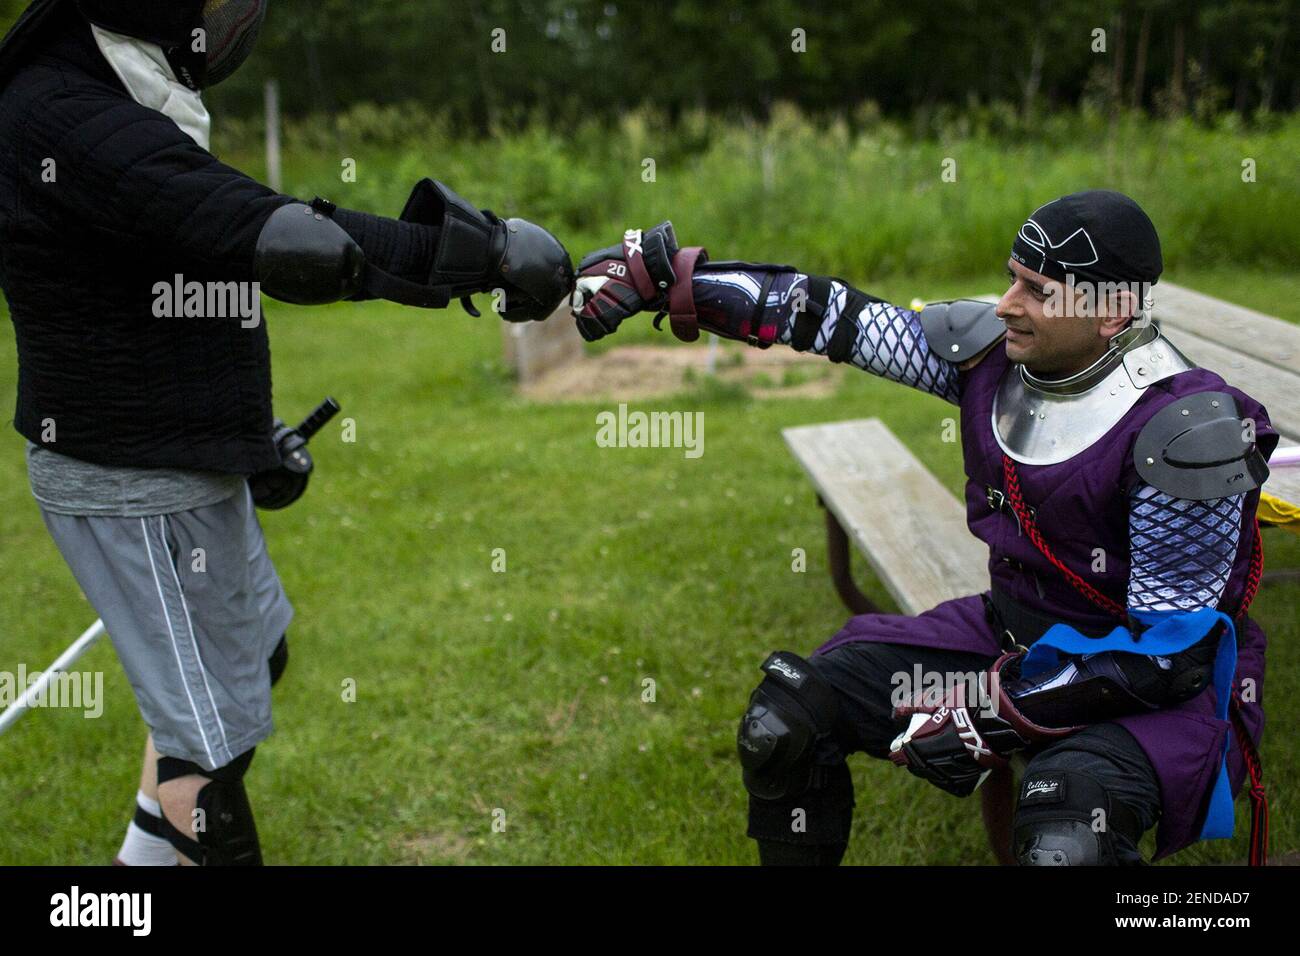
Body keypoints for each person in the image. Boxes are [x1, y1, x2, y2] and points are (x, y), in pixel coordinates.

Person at [0, 0, 573, 865]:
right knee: (207, 767)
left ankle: (138, 866)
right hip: (132, 479)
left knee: (251, 662)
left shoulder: (116, 79)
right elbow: (284, 240)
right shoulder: (60, 112)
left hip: (178, 452)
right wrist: (476, 254)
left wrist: (245, 437)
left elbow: (163, 266)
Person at [570, 190, 1276, 865]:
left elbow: (1170, 660)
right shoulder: (996, 358)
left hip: (1143, 695)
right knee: (786, 718)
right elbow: (832, 317)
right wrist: (672, 282)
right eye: (1012, 280)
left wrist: (993, 715)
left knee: (1068, 832)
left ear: (1112, 311)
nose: (1007, 306)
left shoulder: (1188, 432)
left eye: (1037, 291)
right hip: (1009, 644)